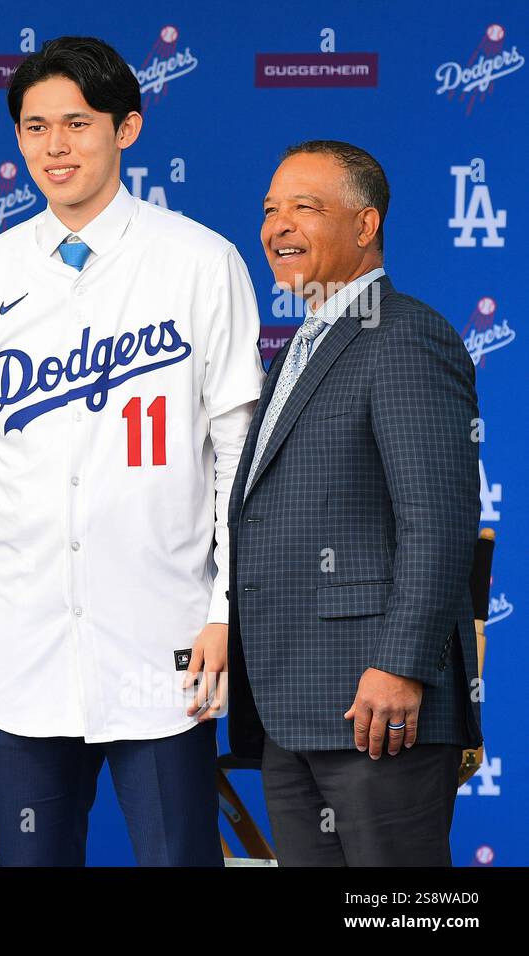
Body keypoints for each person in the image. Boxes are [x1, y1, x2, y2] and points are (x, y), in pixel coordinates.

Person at [0, 36, 264, 866]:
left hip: (167, 641)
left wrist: (225, 611)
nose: (56, 146)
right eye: (35, 127)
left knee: (180, 858)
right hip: (22, 640)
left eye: (77, 123)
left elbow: (240, 464)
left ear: (128, 129)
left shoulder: (200, 262)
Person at [227, 141, 481, 866]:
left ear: (365, 226)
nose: (279, 227)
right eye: (271, 210)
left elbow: (437, 521)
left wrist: (401, 665)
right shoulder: (297, 349)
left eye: (304, 207)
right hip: (292, 707)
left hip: (378, 708)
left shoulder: (405, 335)